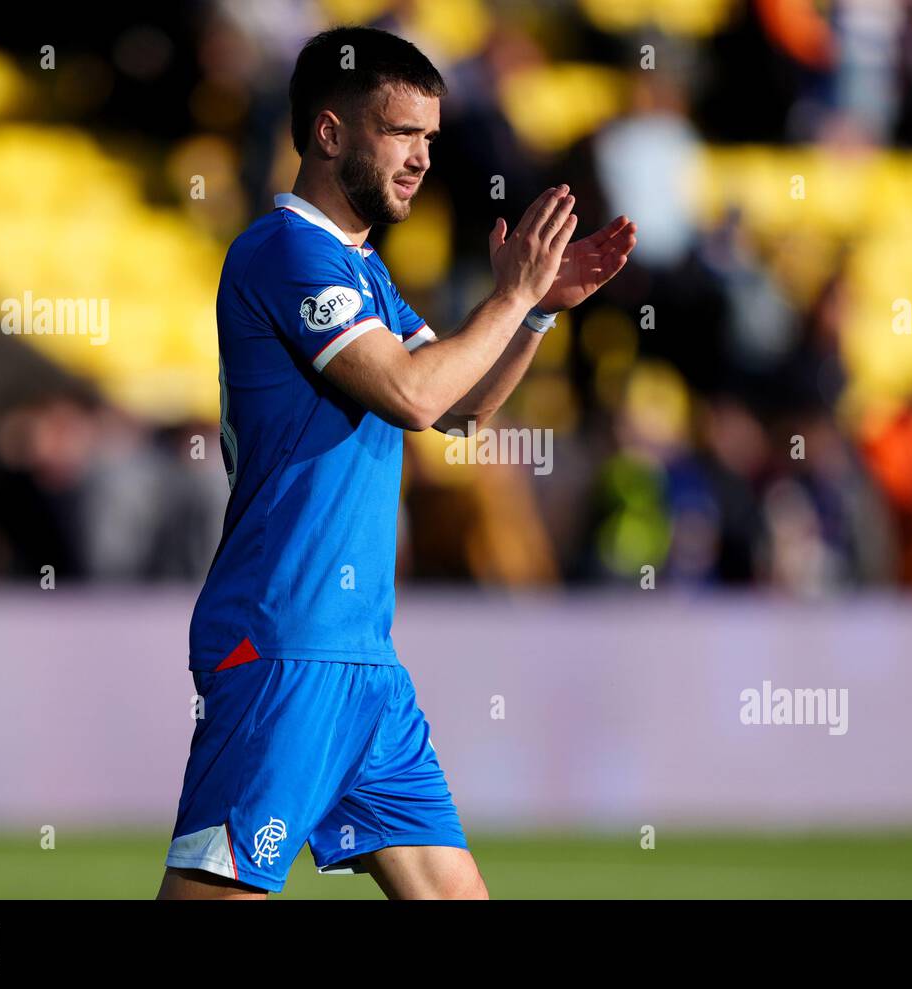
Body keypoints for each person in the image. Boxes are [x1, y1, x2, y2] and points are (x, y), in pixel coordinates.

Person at [157, 25, 636, 900]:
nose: (420, 158)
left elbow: (460, 405)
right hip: (282, 641)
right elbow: (411, 395)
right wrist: (509, 295)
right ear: (331, 132)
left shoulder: (362, 268)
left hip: (364, 659)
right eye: (401, 132)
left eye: (429, 138)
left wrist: (532, 317)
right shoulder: (284, 252)